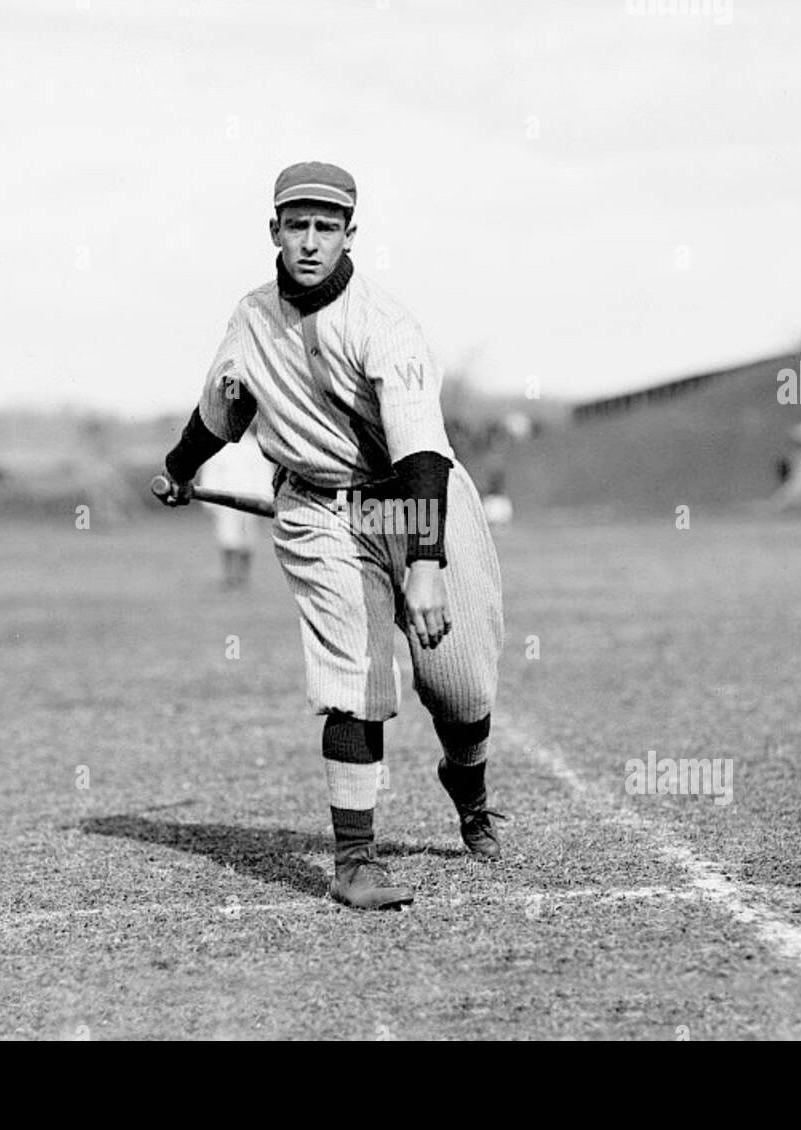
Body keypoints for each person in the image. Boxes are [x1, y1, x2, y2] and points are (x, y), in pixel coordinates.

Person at [157, 161, 505, 910]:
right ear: (274, 231)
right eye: (296, 226)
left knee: (462, 684)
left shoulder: (387, 325)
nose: (310, 242)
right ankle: (355, 860)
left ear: (351, 233)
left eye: (325, 227)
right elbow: (221, 411)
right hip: (317, 511)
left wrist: (425, 567)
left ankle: (467, 786)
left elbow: (418, 453)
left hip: (416, 498)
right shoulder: (249, 320)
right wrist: (179, 470)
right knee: (355, 676)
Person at [197, 427, 273, 589]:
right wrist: (208, 501)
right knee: (227, 538)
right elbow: (211, 474)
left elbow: (263, 475)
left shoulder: (254, 446)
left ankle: (243, 577)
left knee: (248, 539)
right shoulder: (219, 447)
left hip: (250, 501)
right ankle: (229, 576)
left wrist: (265, 500)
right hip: (225, 501)